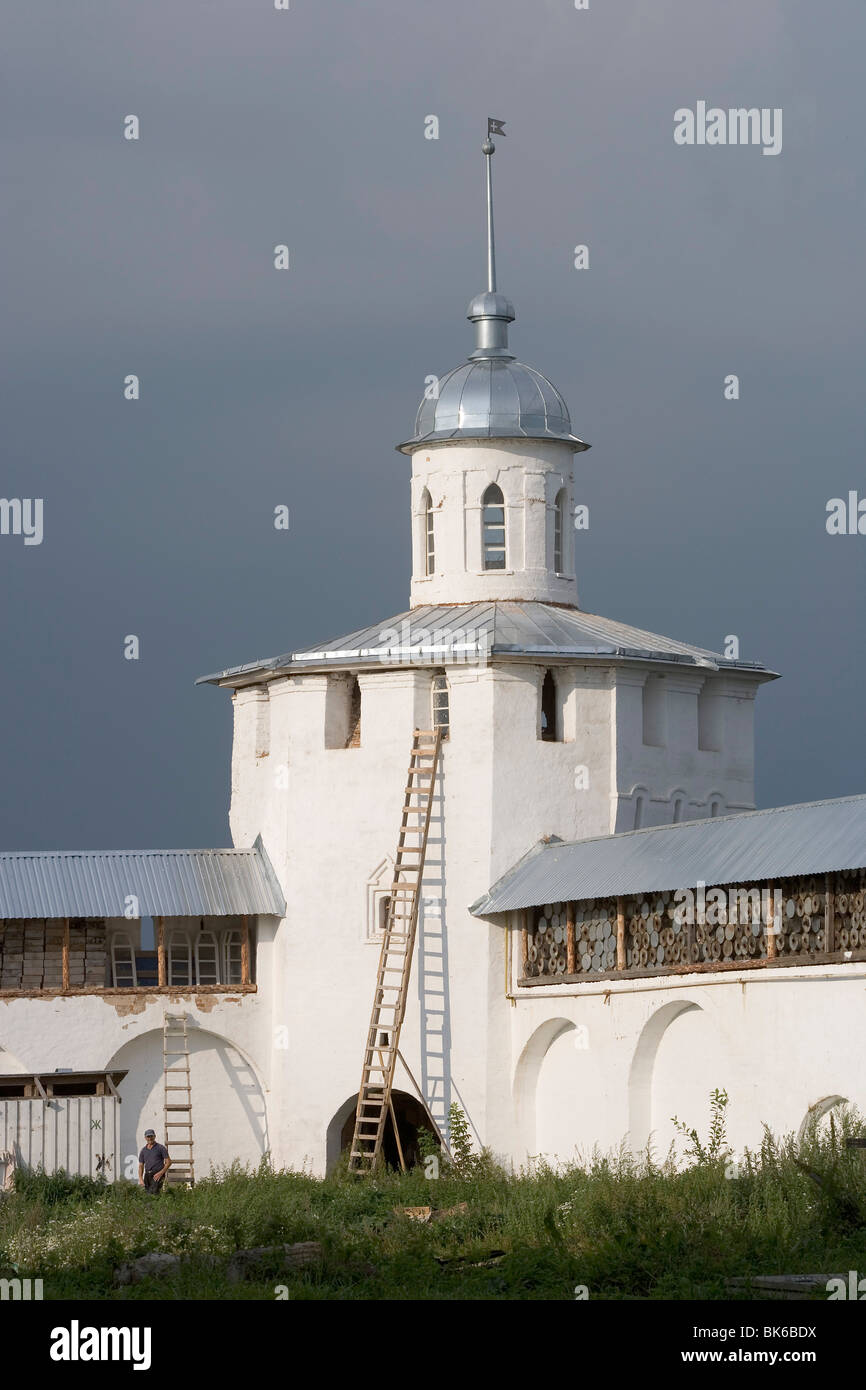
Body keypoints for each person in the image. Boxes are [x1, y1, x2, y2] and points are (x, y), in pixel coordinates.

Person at [138, 1129, 171, 1195]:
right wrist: (141, 1178)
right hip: (147, 1175)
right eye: (148, 1136)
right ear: (145, 1138)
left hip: (157, 1174)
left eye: (151, 1136)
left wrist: (161, 1173)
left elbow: (168, 1162)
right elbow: (141, 1165)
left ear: (154, 1136)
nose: (150, 1138)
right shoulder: (143, 1150)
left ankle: (157, 1205)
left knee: (154, 1193)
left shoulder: (161, 1148)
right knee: (147, 1194)